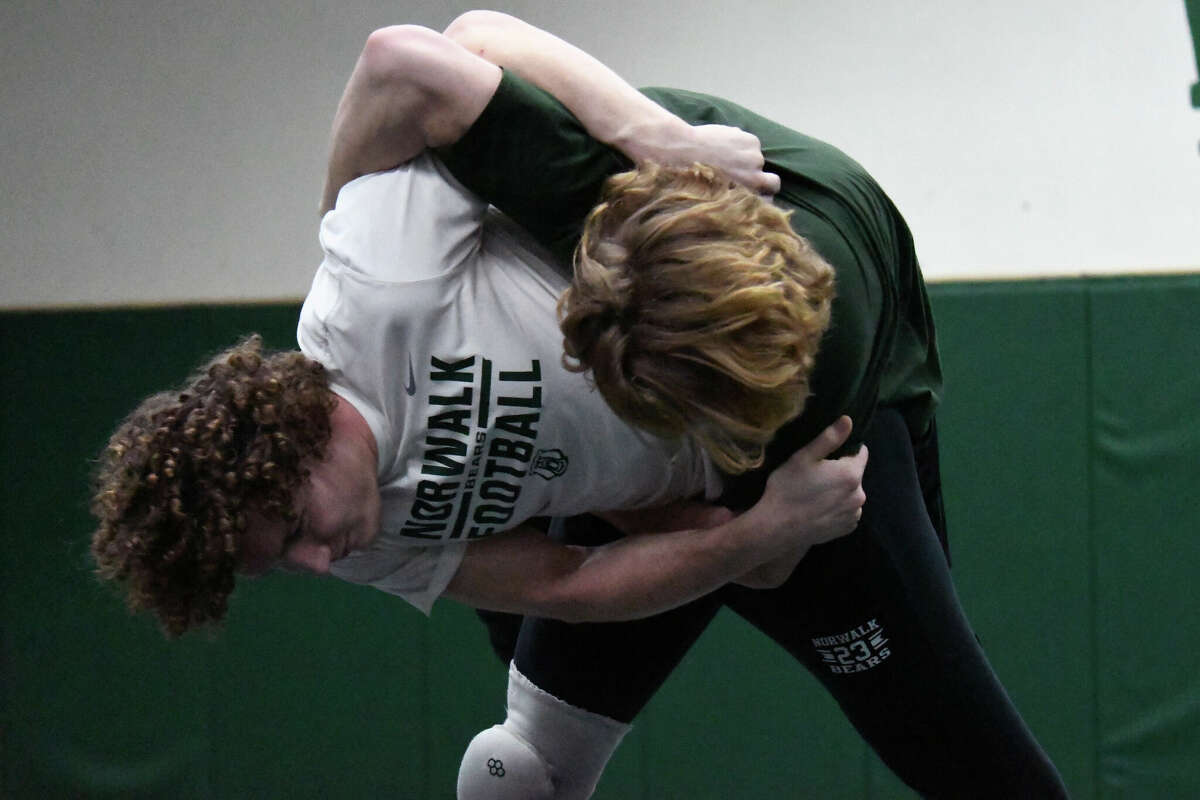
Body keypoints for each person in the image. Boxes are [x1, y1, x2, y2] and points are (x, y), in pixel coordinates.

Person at [315, 12, 1070, 799]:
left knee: (960, 739)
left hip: (837, 356)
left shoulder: (808, 389)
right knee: (519, 773)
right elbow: (448, 43)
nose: (313, 557)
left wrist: (717, 521)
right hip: (683, 191)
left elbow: (765, 560)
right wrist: (645, 128)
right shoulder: (598, 202)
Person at [88, 29, 865, 643]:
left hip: (718, 299)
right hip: (719, 458)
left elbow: (414, 58)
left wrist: (650, 135)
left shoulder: (372, 303)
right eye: (284, 565)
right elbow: (568, 585)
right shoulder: (369, 539)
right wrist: (756, 534)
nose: (321, 562)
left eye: (296, 529)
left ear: (291, 442)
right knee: (762, 565)